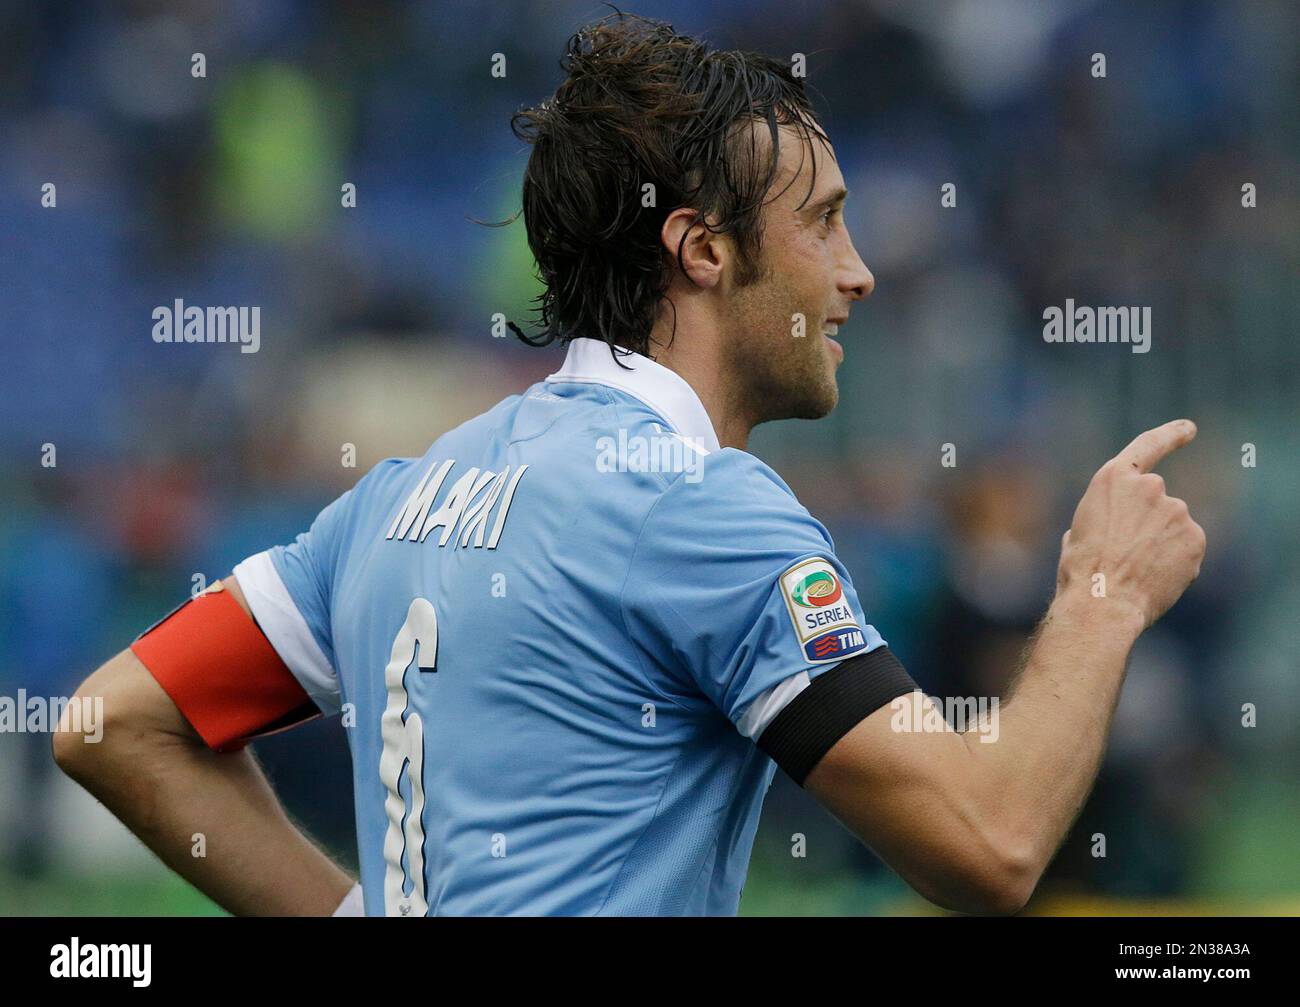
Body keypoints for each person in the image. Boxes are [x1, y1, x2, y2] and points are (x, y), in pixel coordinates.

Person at [54, 12, 1205, 916]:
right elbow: (988, 845)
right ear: (701, 249)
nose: (856, 273)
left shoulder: (394, 498)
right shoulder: (700, 509)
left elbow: (109, 722)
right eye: (823, 223)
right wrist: (1103, 593)